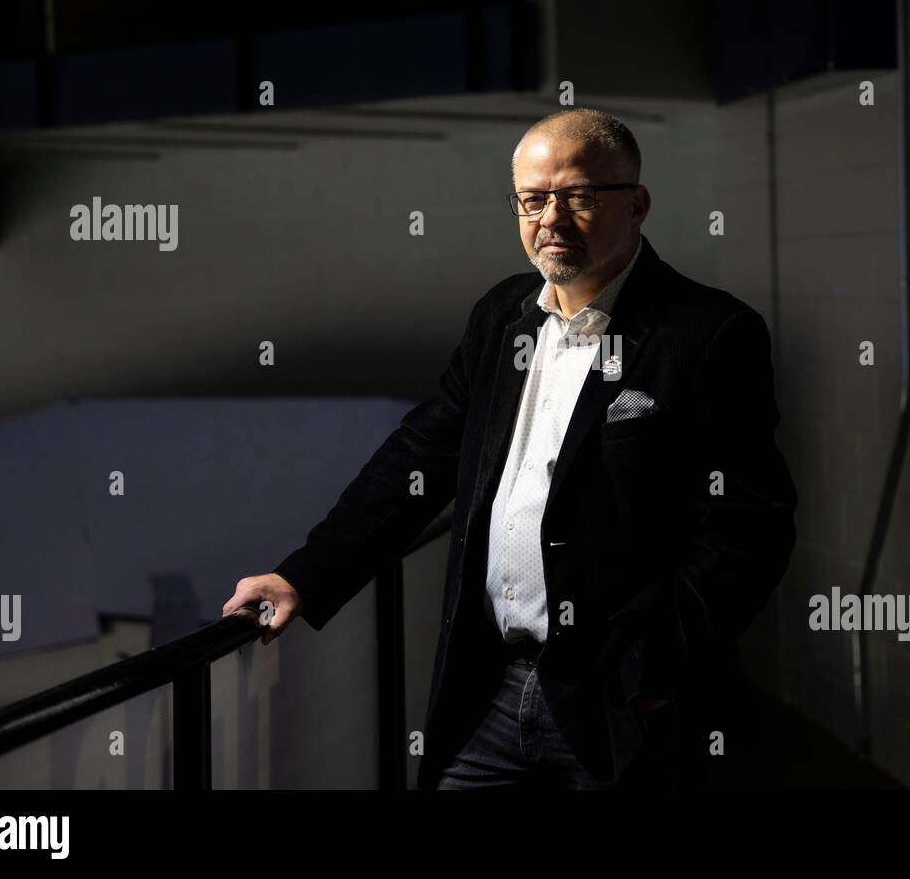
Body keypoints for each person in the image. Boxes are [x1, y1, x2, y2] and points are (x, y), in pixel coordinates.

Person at [222, 107, 798, 789]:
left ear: (636, 204)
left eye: (578, 197)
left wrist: (651, 669)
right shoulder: (503, 317)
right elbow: (420, 456)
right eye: (532, 199)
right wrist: (304, 576)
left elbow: (748, 527)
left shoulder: (709, 333)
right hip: (487, 690)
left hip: (621, 708)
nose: (550, 220)